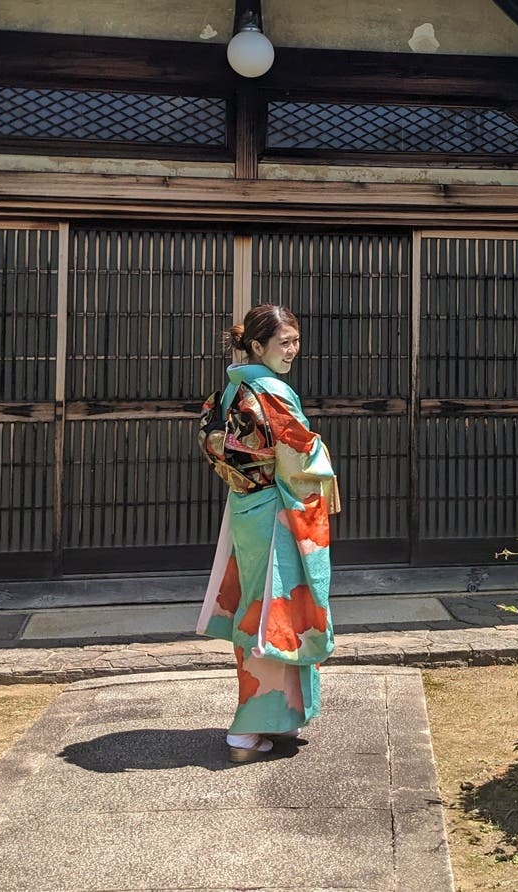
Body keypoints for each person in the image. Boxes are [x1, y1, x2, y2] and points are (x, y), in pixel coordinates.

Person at [195, 303, 336, 763]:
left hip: (247, 505)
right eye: (284, 342)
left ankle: (280, 715)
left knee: (263, 607)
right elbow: (296, 454)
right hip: (275, 508)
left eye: (296, 341)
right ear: (257, 345)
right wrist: (322, 465)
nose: (292, 350)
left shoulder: (234, 385)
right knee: (272, 612)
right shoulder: (272, 391)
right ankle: (248, 726)